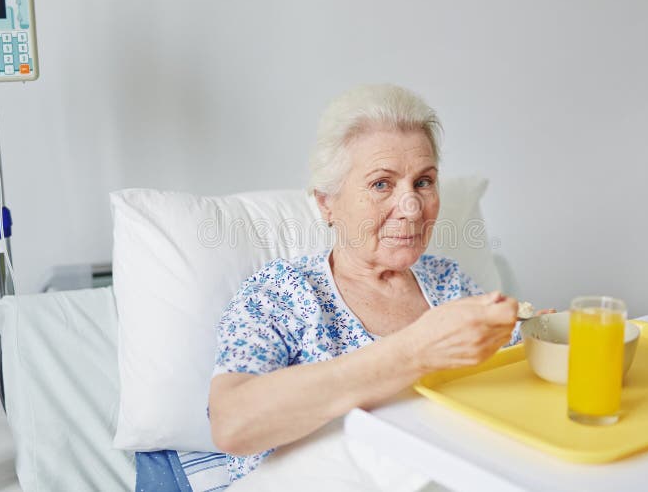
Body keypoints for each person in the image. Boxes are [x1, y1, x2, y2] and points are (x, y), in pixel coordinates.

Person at [208, 84, 522, 484]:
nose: (411, 207)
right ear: (327, 203)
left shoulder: (449, 283)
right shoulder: (283, 292)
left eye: (424, 182)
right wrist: (413, 352)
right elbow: (232, 423)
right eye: (381, 184)